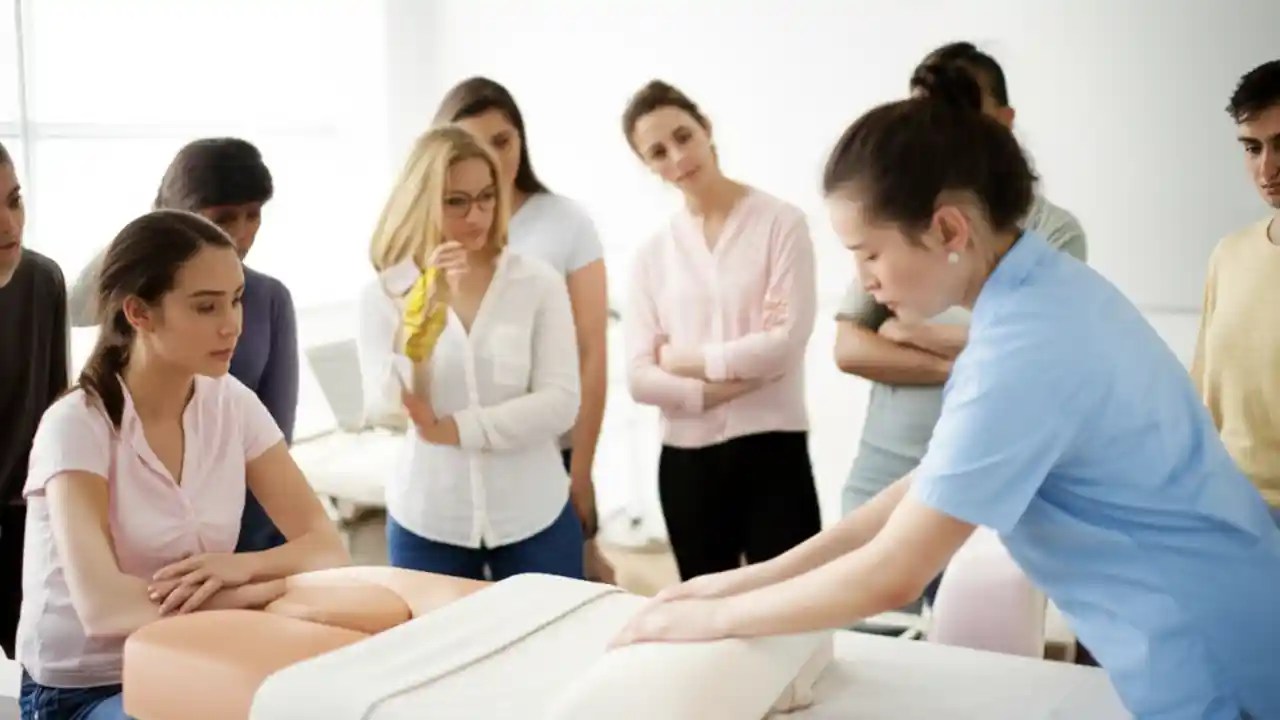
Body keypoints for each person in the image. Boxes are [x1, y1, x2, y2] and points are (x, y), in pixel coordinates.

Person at [611, 71, 1280, 720]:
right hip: (1229, 613)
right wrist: (746, 579)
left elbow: (896, 573)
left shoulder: (1024, 346)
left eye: (869, 253)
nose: (864, 280)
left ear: (950, 230)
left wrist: (710, 618)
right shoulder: (1033, 293)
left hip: (1222, 655)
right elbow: (931, 482)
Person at [16, 210, 348, 720]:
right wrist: (257, 594)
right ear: (139, 313)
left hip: (198, 658)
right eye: (205, 306)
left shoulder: (231, 404)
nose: (231, 324)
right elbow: (106, 608)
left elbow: (325, 546)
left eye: (236, 300)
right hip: (87, 690)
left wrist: (241, 565)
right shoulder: (76, 425)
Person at [836, 42, 1088, 519]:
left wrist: (911, 334)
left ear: (1005, 118)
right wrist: (967, 362)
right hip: (884, 470)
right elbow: (850, 349)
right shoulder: (899, 221)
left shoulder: (1052, 234)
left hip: (988, 483)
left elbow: (1033, 357)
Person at [358, 125, 584, 581]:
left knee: (554, 646)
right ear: (422, 201)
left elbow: (560, 404)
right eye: (455, 201)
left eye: (486, 197)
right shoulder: (386, 293)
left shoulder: (536, 282)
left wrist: (459, 428)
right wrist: (421, 318)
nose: (476, 215)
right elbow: (390, 409)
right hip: (429, 518)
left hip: (534, 514)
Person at [621, 80, 821, 582]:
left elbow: (786, 342)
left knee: (791, 605)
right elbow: (640, 378)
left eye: (684, 136)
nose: (678, 157)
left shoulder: (781, 223)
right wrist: (716, 391)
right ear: (648, 166)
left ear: (706, 127)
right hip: (686, 465)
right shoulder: (651, 255)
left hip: (773, 450)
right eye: (659, 152)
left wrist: (685, 362)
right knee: (707, 617)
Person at [68, 138, 299, 552]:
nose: (243, 233)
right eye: (225, 218)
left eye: (254, 215)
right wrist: (155, 240)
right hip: (143, 536)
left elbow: (276, 433)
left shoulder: (269, 300)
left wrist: (248, 559)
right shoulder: (138, 294)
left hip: (240, 531)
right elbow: (76, 307)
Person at [434, 77, 614, 583]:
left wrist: (581, 471)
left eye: (503, 140)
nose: (492, 156)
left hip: (547, 445)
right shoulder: (430, 238)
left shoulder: (564, 223)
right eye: (474, 143)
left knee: (572, 584)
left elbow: (591, 352)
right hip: (457, 457)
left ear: (522, 139)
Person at [1192, 59, 1280, 525]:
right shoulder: (1229, 255)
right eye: (1252, 148)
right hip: (1229, 509)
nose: (1268, 168)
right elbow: (1203, 397)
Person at [0, 140, 69, 661]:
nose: (8, 225)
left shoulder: (42, 281)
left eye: (14, 200)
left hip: (27, 515)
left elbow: (55, 407)